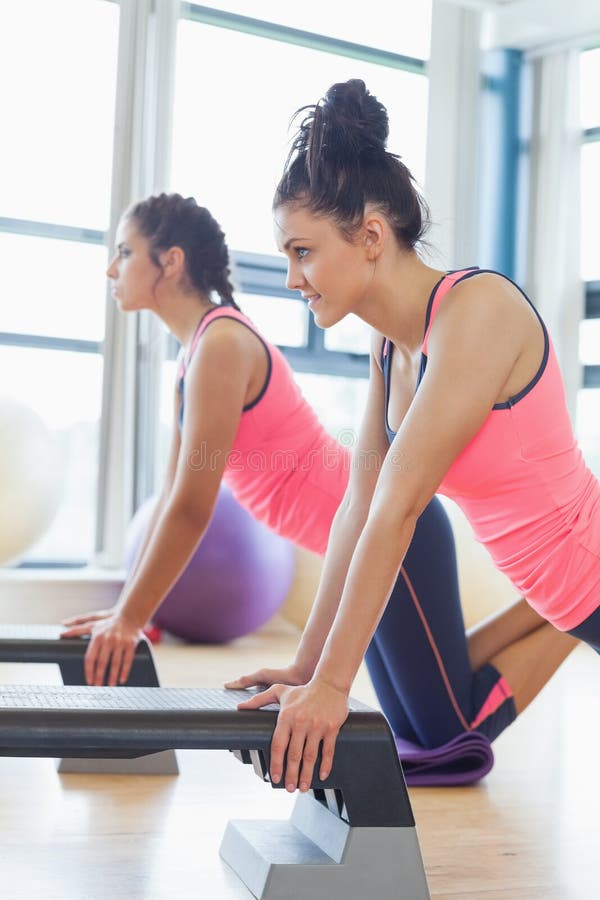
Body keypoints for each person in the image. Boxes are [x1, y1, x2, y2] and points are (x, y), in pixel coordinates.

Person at [62, 192, 574, 771]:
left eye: (124, 252)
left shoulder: (222, 346)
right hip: (357, 541)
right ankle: (549, 606)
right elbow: (173, 496)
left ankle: (568, 610)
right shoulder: (196, 353)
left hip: (389, 533)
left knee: (445, 738)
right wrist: (128, 613)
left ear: (171, 261)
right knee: (414, 721)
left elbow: (191, 508)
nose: (112, 269)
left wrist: (129, 620)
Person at [226, 78, 596, 798]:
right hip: (563, 595)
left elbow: (398, 509)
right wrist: (307, 666)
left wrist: (334, 687)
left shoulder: (477, 311)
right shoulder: (391, 348)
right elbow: (359, 507)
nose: (294, 278)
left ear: (370, 237)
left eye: (303, 252)